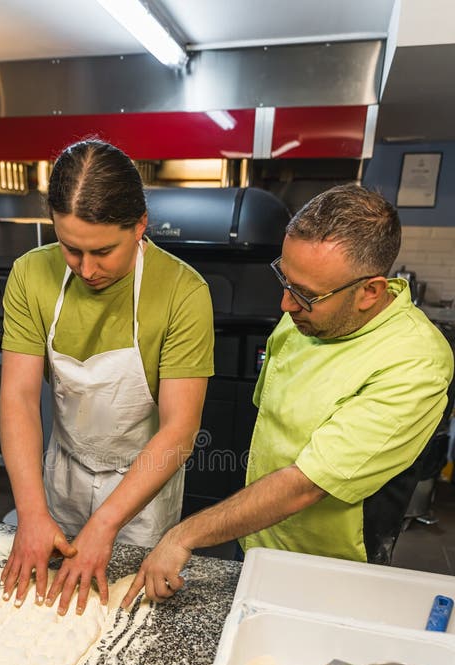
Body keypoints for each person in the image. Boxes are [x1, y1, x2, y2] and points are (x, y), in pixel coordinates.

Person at [122, 184, 454, 606]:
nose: (285, 304)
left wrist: (184, 534)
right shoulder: (308, 315)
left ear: (370, 291)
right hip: (257, 537)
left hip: (329, 567)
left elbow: (306, 484)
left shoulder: (415, 363)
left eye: (305, 294)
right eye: (285, 279)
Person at [0, 140, 214, 614]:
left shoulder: (182, 291)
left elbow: (180, 429)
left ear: (140, 225)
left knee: (122, 617)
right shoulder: (30, 276)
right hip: (63, 474)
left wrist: (105, 524)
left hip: (141, 488)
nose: (87, 269)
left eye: (103, 251)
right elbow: (17, 397)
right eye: (70, 249)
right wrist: (32, 513)